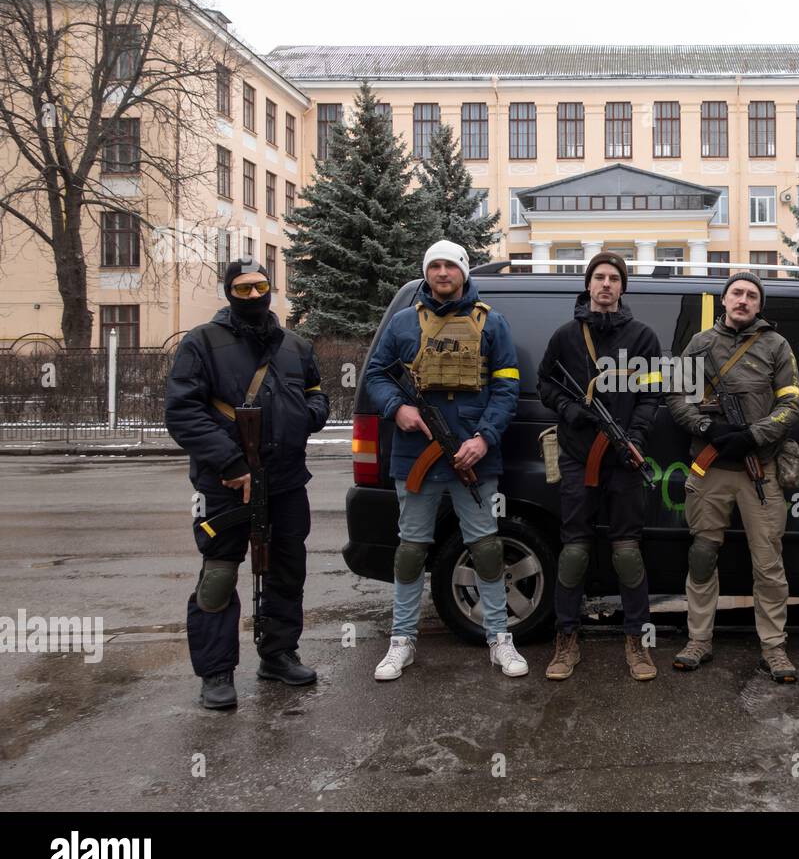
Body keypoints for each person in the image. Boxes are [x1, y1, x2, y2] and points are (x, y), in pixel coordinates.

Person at [165, 258, 330, 710]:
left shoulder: (295, 345)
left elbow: (316, 392)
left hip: (286, 481)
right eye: (243, 289)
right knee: (218, 575)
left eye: (260, 287)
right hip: (226, 483)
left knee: (286, 569)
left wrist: (309, 417)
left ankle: (278, 654)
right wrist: (232, 463)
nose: (254, 297)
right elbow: (183, 412)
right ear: (228, 293)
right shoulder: (202, 343)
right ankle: (216, 673)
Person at [363, 240, 523, 680]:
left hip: (473, 454)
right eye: (433, 266)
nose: (441, 273)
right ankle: (402, 641)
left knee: (487, 548)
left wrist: (484, 439)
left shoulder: (492, 324)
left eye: (449, 265)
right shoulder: (401, 323)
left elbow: (508, 387)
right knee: (412, 550)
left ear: (463, 273)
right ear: (426, 273)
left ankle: (498, 638)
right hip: (416, 452)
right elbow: (376, 374)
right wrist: (399, 408)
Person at [666, 272, 799, 682]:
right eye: (736, 293)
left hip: (759, 467)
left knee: (768, 563)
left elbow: (792, 404)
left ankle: (774, 648)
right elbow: (675, 394)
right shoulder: (700, 344)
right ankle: (698, 641)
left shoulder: (777, 346)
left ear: (760, 306)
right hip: (709, 469)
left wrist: (752, 435)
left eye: (751, 295)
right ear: (725, 301)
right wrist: (707, 429)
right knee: (703, 555)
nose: (743, 300)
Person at [537, 252, 661, 681]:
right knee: (574, 550)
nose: (606, 284)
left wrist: (636, 440)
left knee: (627, 551)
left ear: (623, 288)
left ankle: (638, 642)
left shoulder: (643, 338)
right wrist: (571, 410)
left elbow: (651, 396)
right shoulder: (566, 337)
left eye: (614, 278)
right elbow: (545, 384)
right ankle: (566, 638)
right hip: (576, 458)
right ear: (588, 285)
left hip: (624, 461)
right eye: (599, 277)